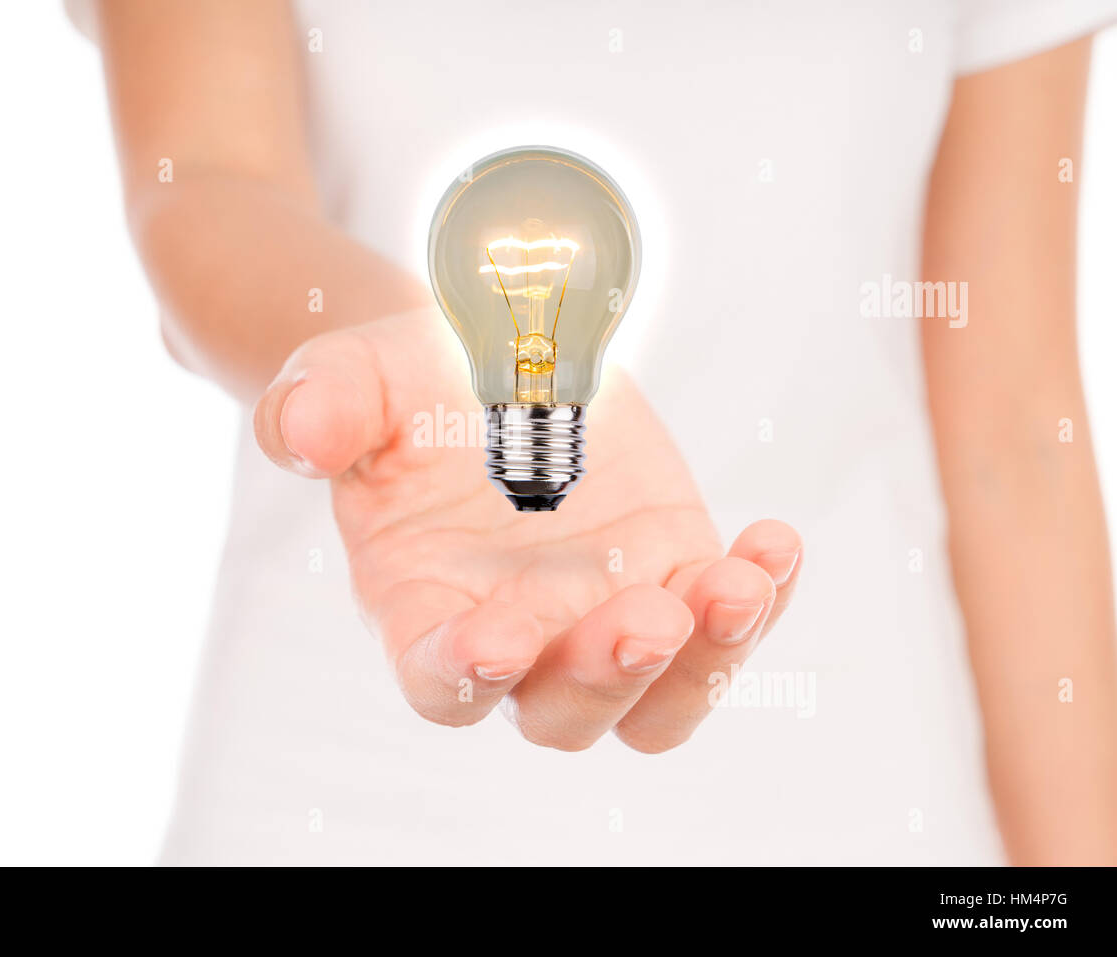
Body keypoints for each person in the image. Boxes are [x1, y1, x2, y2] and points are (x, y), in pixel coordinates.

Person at [71, 0, 1117, 864]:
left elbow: (1013, 436)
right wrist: (400, 364)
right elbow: (205, 181)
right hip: (340, 798)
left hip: (866, 809)